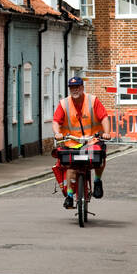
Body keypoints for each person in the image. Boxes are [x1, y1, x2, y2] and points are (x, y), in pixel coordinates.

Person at [51, 75, 108, 209]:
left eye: (77, 87)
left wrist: (106, 132)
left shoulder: (93, 100)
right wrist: (57, 133)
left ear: (82, 87)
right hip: (72, 142)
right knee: (71, 166)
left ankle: (97, 181)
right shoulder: (64, 104)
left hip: (92, 141)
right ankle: (70, 196)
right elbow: (55, 121)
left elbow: (104, 117)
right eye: (72, 88)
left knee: (100, 156)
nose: (75, 90)